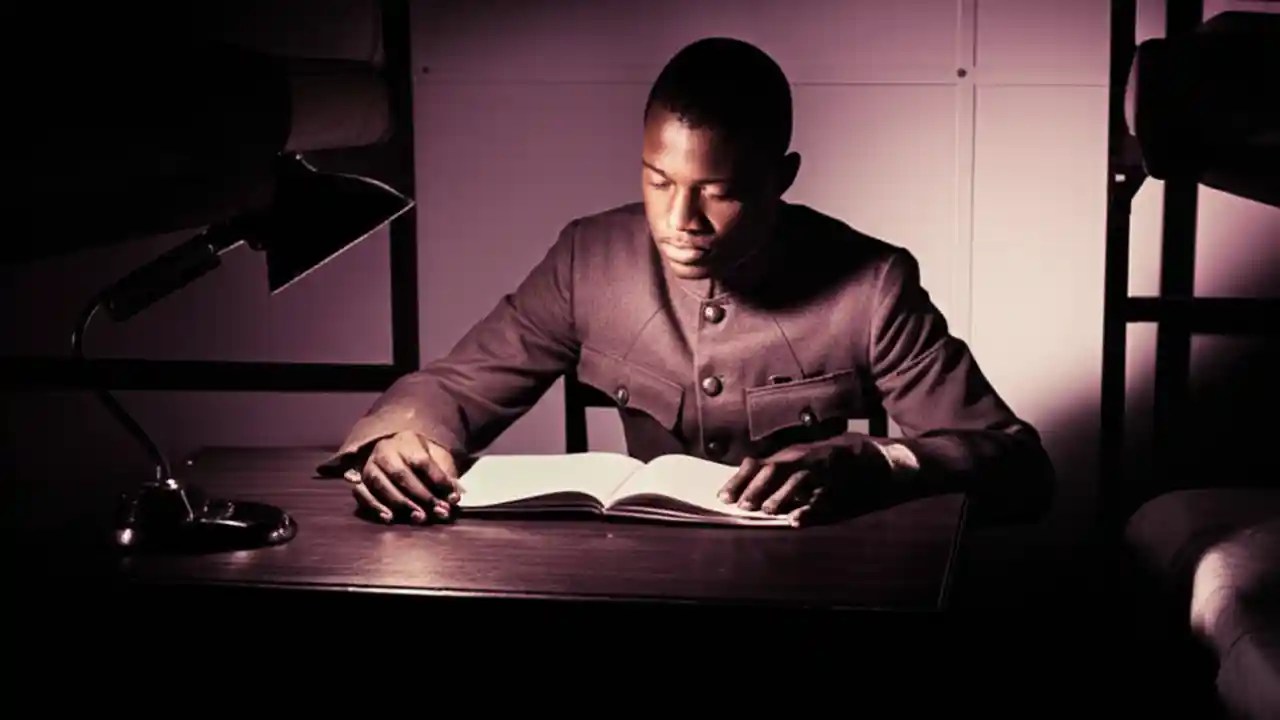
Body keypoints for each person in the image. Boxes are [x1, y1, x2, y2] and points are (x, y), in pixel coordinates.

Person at [316, 37, 1054, 528]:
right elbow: (455, 384)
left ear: (782, 179)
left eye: (720, 191)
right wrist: (401, 440)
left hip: (817, 592)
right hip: (635, 584)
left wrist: (879, 459)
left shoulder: (874, 284)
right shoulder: (588, 258)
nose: (680, 220)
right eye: (657, 179)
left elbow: (1016, 462)